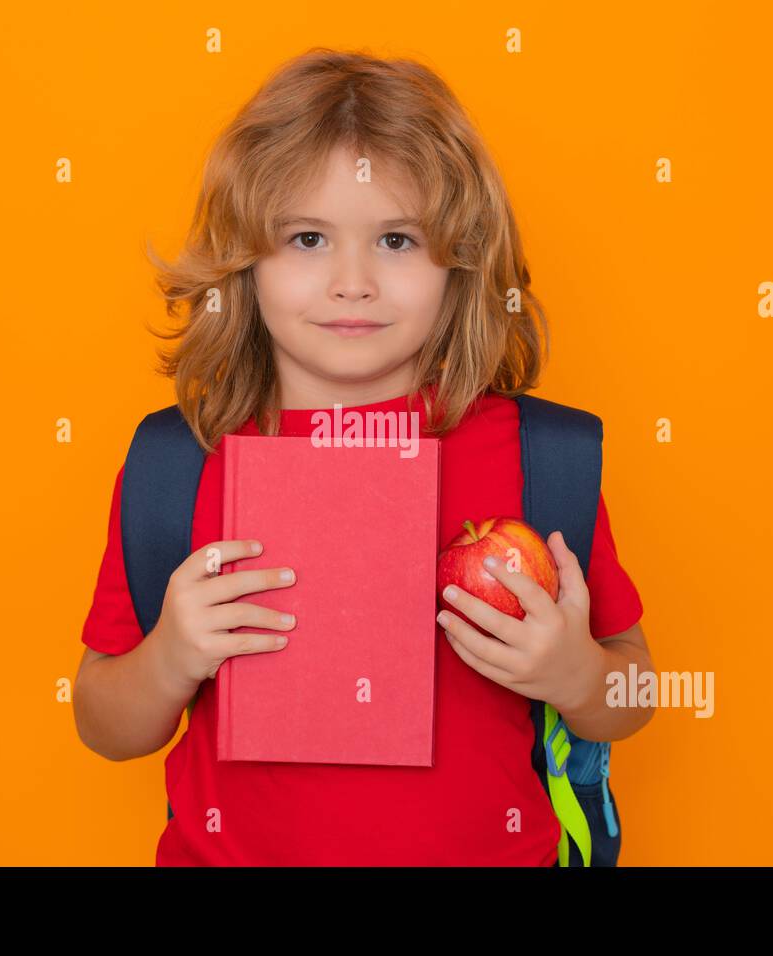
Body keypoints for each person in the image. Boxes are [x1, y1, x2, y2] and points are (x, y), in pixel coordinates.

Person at [73, 47, 654, 865]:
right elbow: (104, 725)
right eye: (307, 238)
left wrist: (573, 673)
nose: (353, 282)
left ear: (461, 263)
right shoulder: (182, 466)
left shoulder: (537, 460)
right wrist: (170, 656)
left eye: (397, 240)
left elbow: (635, 694)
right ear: (244, 262)